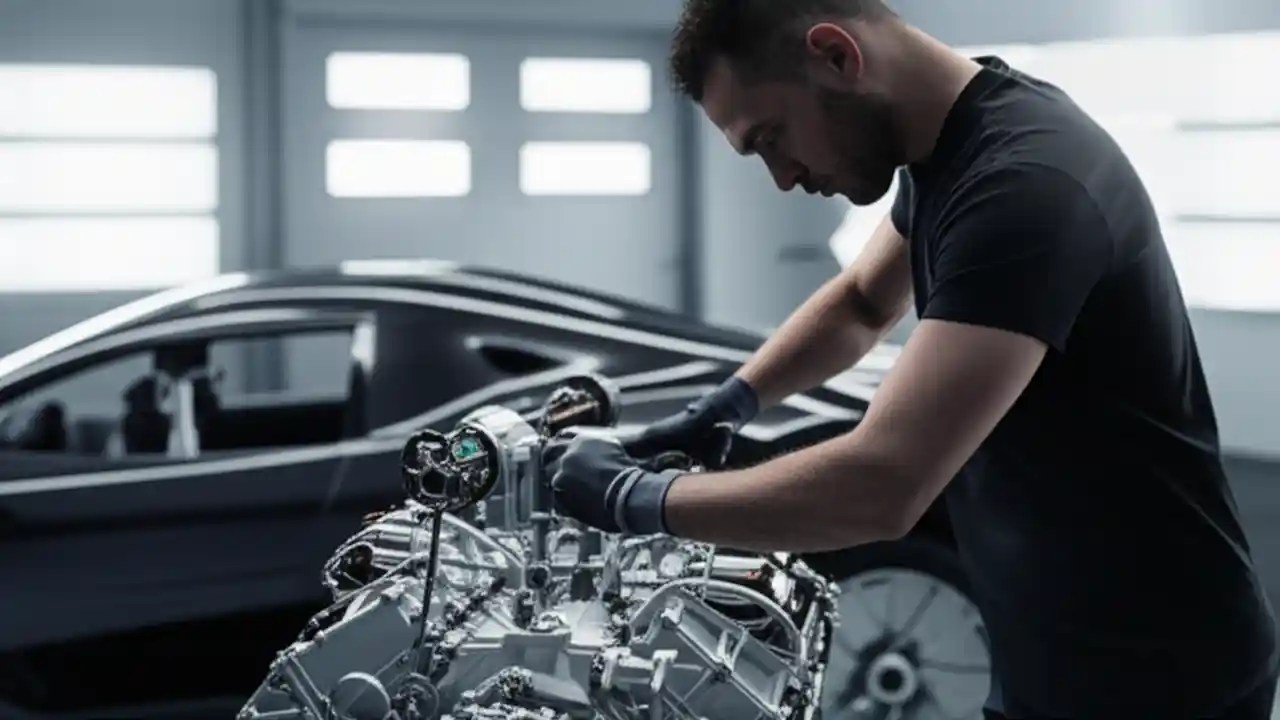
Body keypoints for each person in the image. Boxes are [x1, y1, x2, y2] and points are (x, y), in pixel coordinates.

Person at [544, 0, 1279, 718]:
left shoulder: (1025, 183)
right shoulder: (949, 149)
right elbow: (864, 300)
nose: (783, 177)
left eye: (770, 137)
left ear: (837, 56)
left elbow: (883, 483)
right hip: (1054, 644)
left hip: (1160, 671)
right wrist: (729, 402)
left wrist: (637, 502)